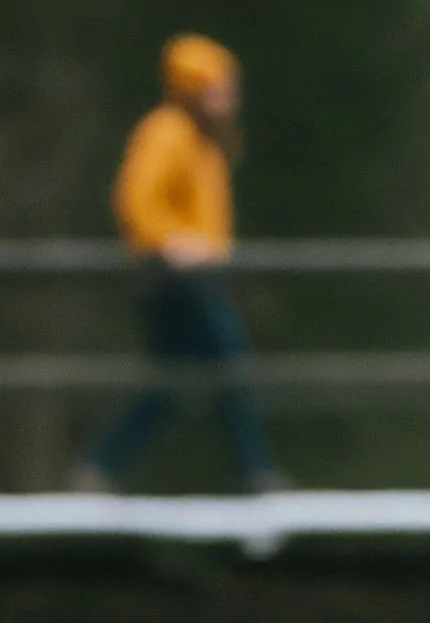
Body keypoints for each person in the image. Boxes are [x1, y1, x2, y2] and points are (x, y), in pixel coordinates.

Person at [80, 34, 282, 493]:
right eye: (221, 89)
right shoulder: (168, 132)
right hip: (176, 279)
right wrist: (173, 242)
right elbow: (135, 199)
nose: (231, 100)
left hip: (198, 278)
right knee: (229, 366)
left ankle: (99, 464)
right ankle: (258, 475)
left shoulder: (202, 143)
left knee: (172, 384)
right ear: (197, 90)